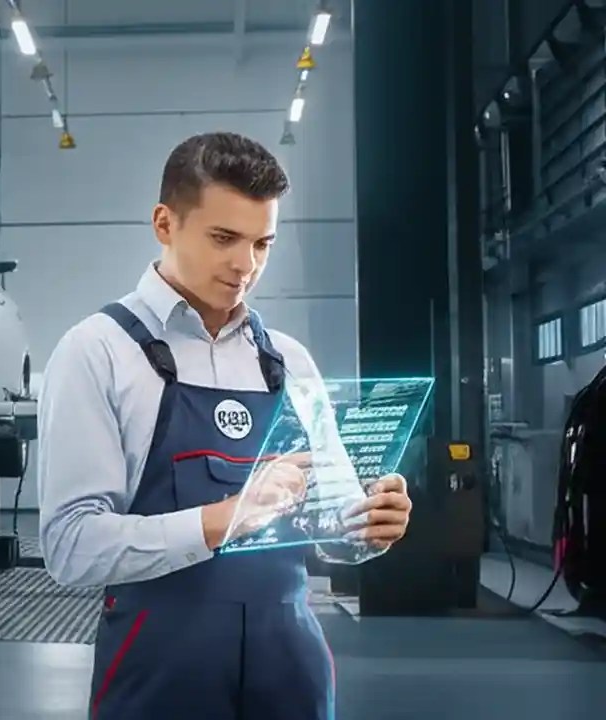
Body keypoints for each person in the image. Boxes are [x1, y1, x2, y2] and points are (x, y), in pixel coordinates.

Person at [36, 132, 414, 720]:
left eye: (263, 243)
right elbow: (71, 547)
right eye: (223, 238)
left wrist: (368, 527)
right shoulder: (98, 352)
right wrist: (228, 517)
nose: (246, 265)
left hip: (290, 660)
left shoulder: (289, 361)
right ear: (165, 223)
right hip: (160, 666)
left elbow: (332, 531)